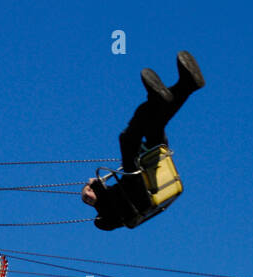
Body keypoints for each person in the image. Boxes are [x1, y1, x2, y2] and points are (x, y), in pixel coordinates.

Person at [81, 51, 204, 230]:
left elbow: (110, 198)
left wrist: (97, 187)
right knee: (127, 140)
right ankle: (158, 99)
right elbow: (112, 216)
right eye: (87, 199)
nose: (88, 196)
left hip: (146, 174)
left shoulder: (111, 197)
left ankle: (186, 85)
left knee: (155, 127)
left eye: (87, 194)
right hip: (140, 188)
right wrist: (97, 191)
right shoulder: (103, 219)